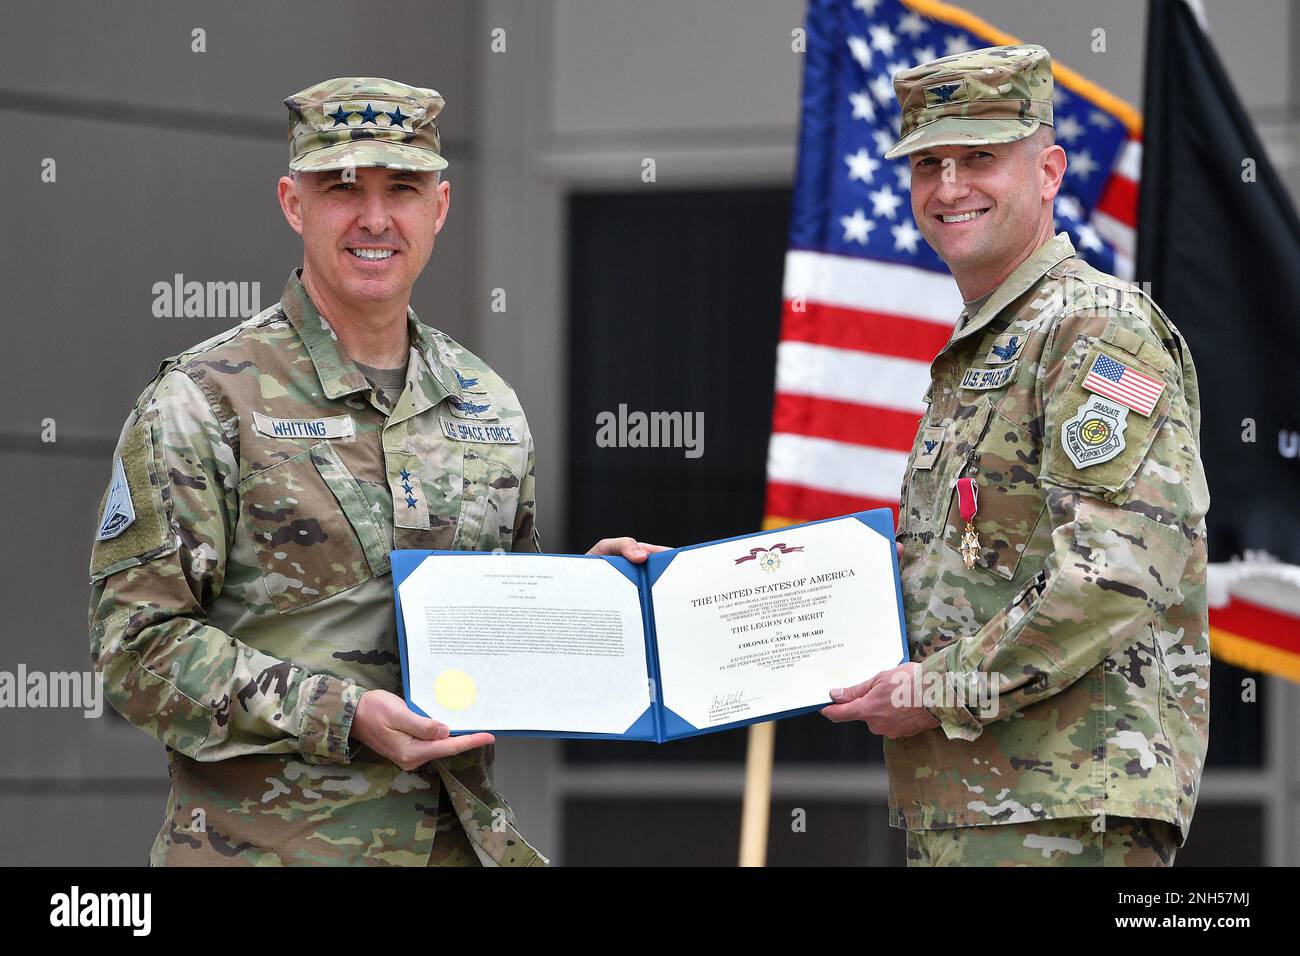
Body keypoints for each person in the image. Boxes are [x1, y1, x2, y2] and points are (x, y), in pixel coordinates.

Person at [88, 76, 659, 866]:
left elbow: (499, 627)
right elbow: (133, 651)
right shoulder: (205, 399)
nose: (376, 218)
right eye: (342, 188)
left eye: (403, 189)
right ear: (293, 203)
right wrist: (339, 712)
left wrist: (590, 601)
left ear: (440, 207)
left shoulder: (485, 402)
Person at [820, 45, 1210, 866]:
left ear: (1048, 171)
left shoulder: (1093, 327)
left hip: (1066, 811)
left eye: (979, 158)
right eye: (928, 164)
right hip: (977, 806)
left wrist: (937, 688)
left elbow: (1114, 570)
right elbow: (955, 579)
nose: (949, 187)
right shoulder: (991, 345)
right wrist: (696, 594)